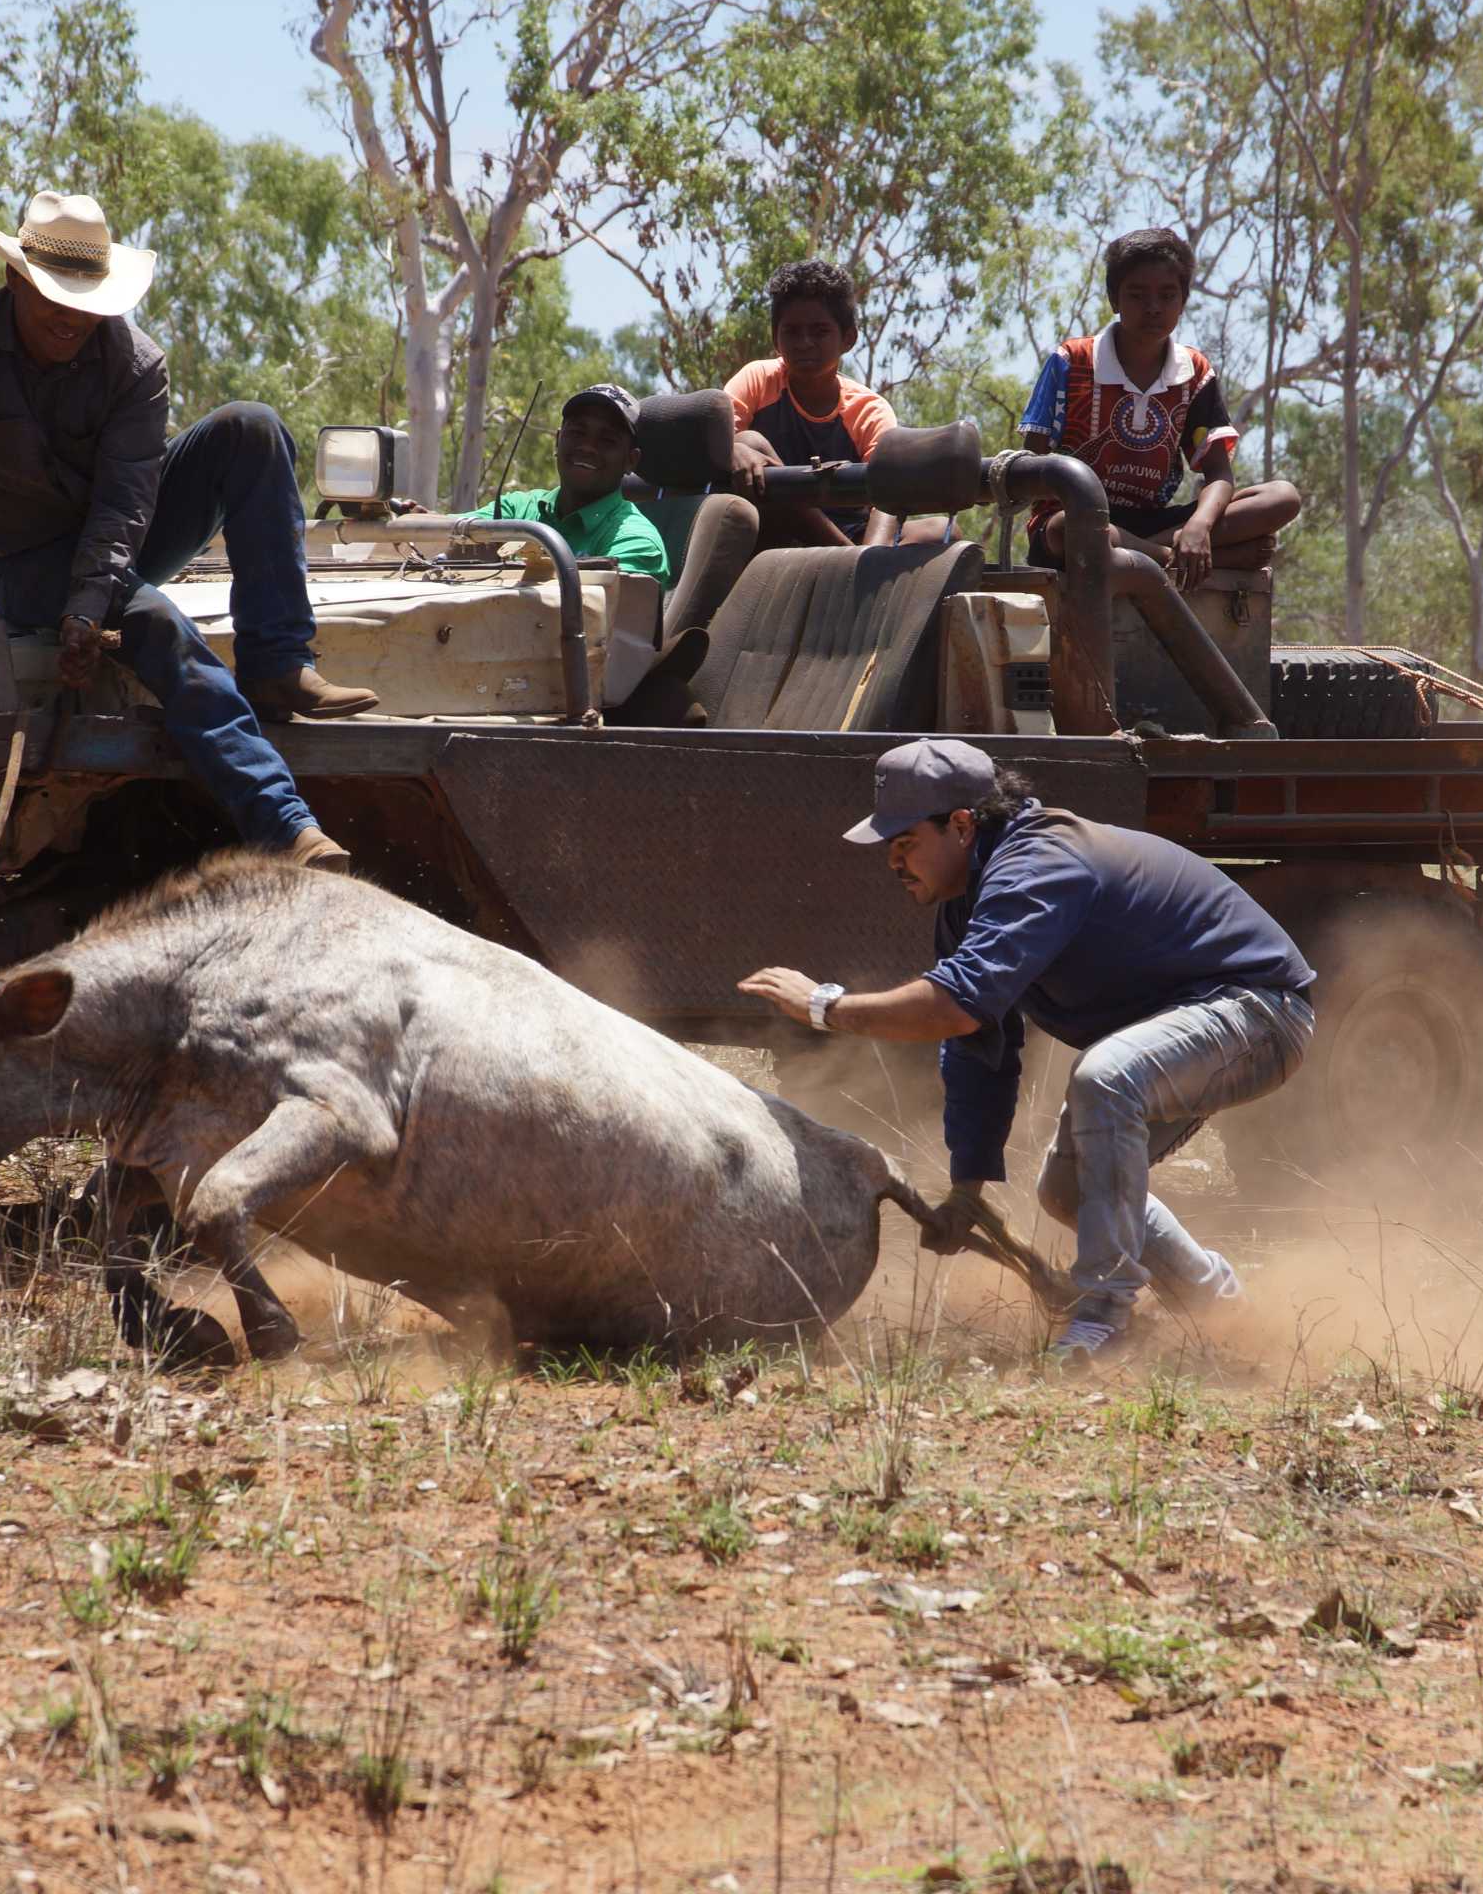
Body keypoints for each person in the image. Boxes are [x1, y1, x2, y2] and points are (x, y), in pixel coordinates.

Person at [0, 189, 367, 868]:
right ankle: (285, 824)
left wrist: (89, 606)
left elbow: (126, 503)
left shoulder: (135, 364)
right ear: (15, 279)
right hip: (26, 559)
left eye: (86, 301)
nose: (72, 318)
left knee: (252, 428)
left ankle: (280, 664)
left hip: (117, 536)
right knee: (155, 625)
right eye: (54, 299)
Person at [738, 737, 1316, 1365]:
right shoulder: (973, 897)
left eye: (905, 844)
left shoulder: (1040, 863)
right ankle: (1223, 1311)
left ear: (961, 826)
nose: (893, 863)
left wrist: (826, 1007)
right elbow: (973, 1038)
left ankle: (1104, 1314)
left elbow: (951, 1006)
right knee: (1066, 1191)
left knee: (1105, 1077)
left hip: (1258, 1010)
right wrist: (969, 1185)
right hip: (1198, 1021)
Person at [1019, 227, 1301, 592]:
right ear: (1114, 299)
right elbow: (1028, 465)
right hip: (1073, 523)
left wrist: (1199, 525)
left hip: (1150, 523)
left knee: (1282, 497)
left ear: (1183, 300)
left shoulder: (1194, 371)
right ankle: (1172, 558)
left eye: (1167, 295)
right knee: (1070, 529)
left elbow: (1219, 473)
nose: (1153, 307)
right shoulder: (1072, 361)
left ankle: (1168, 550)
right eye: (1137, 295)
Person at [661, 261, 907, 644]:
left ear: (848, 338)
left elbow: (888, 497)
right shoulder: (759, 379)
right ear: (776, 339)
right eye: (792, 332)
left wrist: (868, 560)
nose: (804, 342)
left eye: (819, 331)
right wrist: (733, 447)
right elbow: (714, 431)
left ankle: (856, 572)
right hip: (772, 530)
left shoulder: (869, 409)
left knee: (940, 530)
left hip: (847, 536)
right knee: (752, 444)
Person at [461, 383, 670, 581]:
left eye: (607, 440)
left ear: (630, 461)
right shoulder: (518, 509)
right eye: (577, 433)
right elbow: (443, 535)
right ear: (557, 441)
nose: (587, 447)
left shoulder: (637, 542)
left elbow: (594, 612)